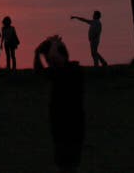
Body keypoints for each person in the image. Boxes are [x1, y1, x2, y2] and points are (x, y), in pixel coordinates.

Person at [34, 36, 85, 173]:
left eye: (49, 59)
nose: (49, 61)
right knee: (67, 164)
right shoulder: (71, 71)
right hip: (65, 127)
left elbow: (40, 71)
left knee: (67, 165)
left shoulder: (67, 72)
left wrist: (40, 51)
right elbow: (39, 72)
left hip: (68, 127)